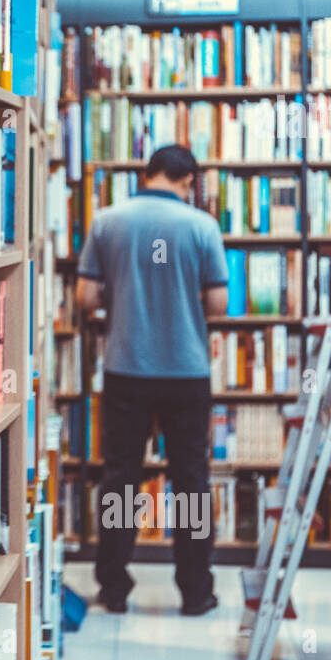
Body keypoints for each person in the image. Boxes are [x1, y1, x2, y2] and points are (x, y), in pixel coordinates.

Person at [75, 144, 229, 616]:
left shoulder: (107, 220)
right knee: (191, 482)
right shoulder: (202, 226)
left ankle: (115, 588)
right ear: (188, 181)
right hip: (186, 372)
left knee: (120, 479)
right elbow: (218, 304)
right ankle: (195, 591)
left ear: (147, 174)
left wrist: (126, 304)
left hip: (126, 369)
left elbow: (86, 297)